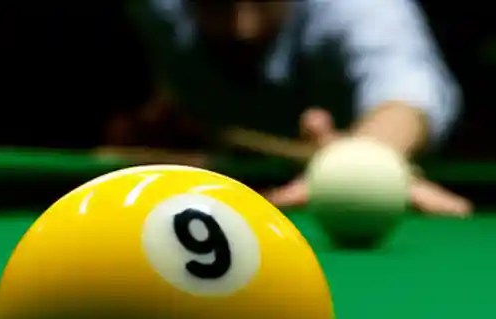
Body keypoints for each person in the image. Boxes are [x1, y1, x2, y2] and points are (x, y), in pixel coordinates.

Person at [107, 0, 472, 216]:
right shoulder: (155, 8)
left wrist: (361, 161)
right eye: (218, 2)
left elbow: (407, 88)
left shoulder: (359, 8)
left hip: (363, 162)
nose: (242, 28)